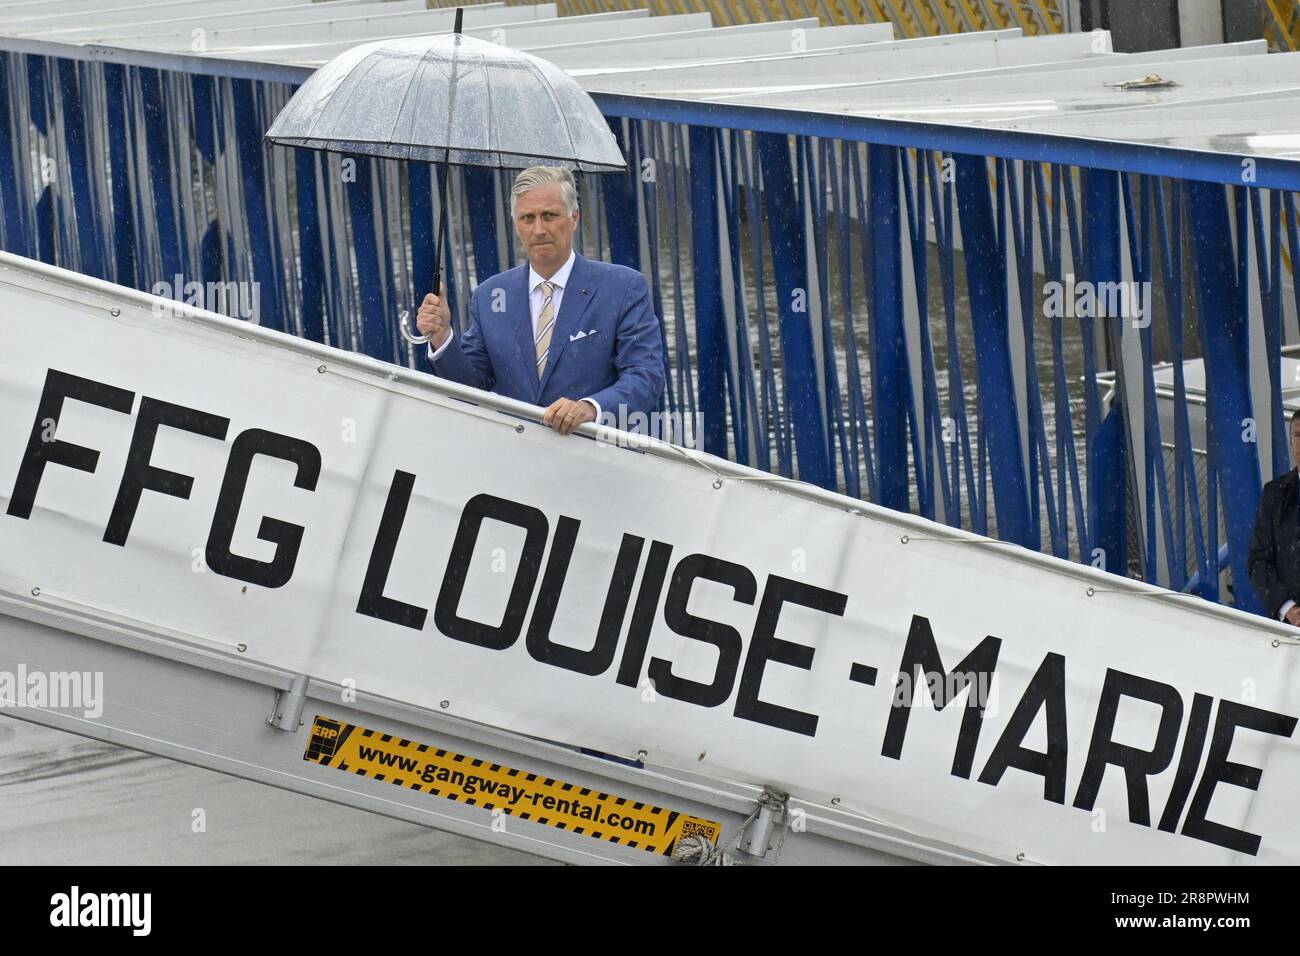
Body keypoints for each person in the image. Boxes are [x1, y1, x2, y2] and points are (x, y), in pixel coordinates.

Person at [416, 165, 663, 436]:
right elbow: (472, 389)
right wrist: (442, 338)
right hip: (512, 459)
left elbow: (645, 376)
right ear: (515, 224)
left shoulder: (623, 287)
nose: (539, 229)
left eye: (549, 216)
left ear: (574, 217)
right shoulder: (489, 296)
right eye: (528, 218)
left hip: (592, 457)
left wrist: (590, 408)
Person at [1248, 408, 1300, 624]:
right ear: (1290, 441)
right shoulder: (1275, 494)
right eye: (1298, 435)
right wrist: (1287, 608)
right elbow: (1258, 559)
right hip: (1290, 626)